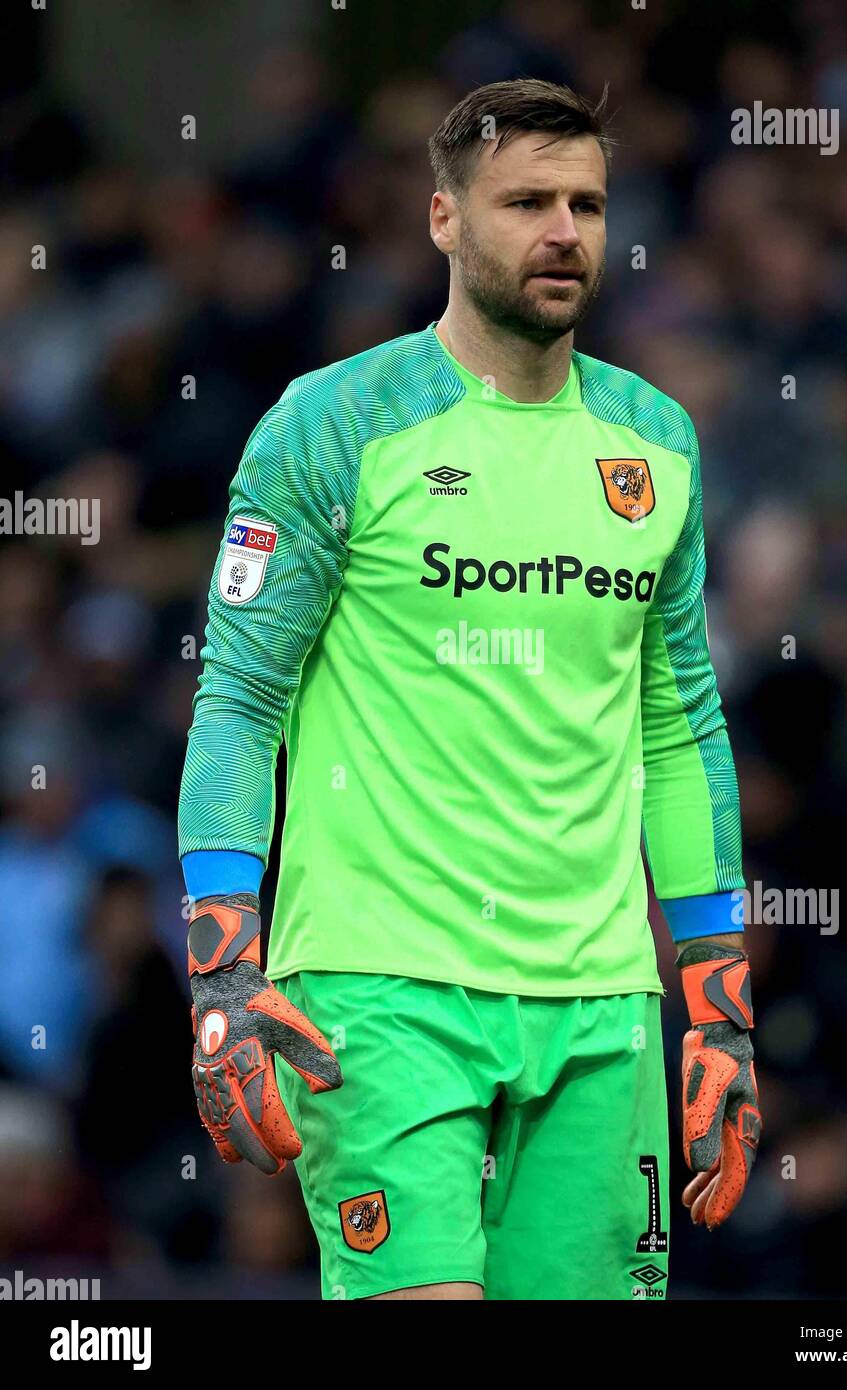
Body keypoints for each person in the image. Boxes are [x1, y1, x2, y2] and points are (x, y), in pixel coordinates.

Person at [178, 77, 761, 1302]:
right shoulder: (333, 424)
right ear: (443, 219)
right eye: (525, 202)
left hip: (603, 999)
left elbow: (678, 725)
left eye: (587, 203)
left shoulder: (654, 441)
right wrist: (224, 965)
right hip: (380, 989)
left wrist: (716, 1002)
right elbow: (238, 697)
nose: (564, 231)